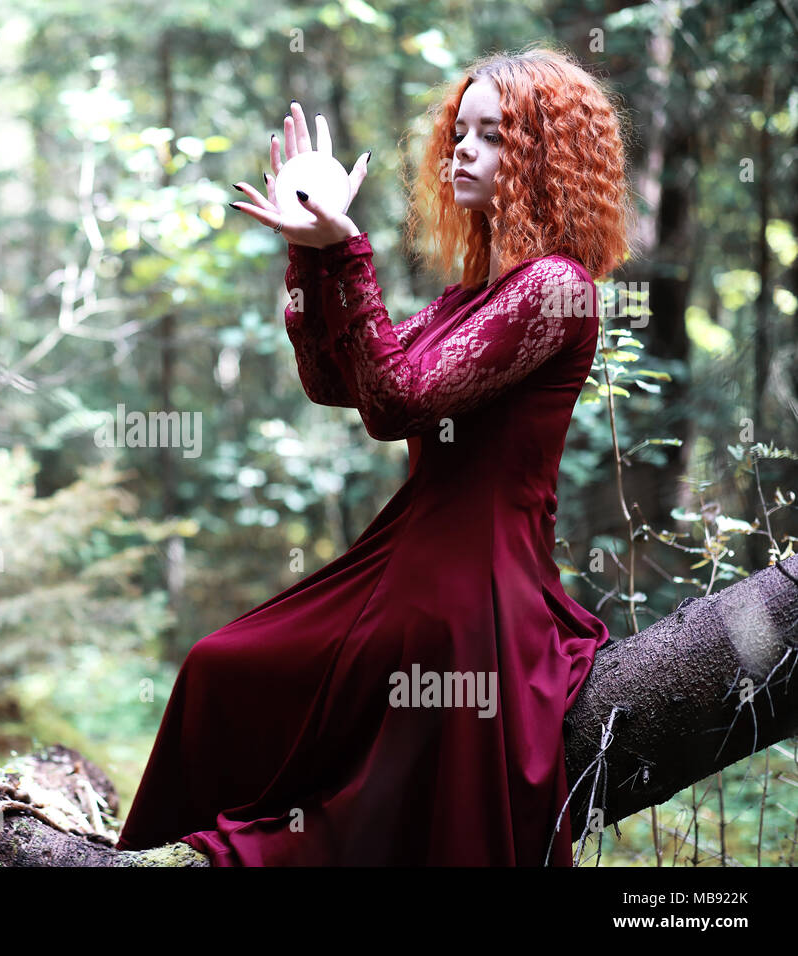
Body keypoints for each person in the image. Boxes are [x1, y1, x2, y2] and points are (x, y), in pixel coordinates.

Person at [113, 45, 636, 866]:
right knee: (218, 667)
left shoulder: (557, 288)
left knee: (355, 792)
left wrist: (348, 246)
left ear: (544, 158)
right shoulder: (474, 297)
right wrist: (310, 249)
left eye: (492, 136)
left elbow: (400, 402)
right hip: (408, 558)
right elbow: (337, 383)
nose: (462, 149)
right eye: (460, 132)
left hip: (472, 589)